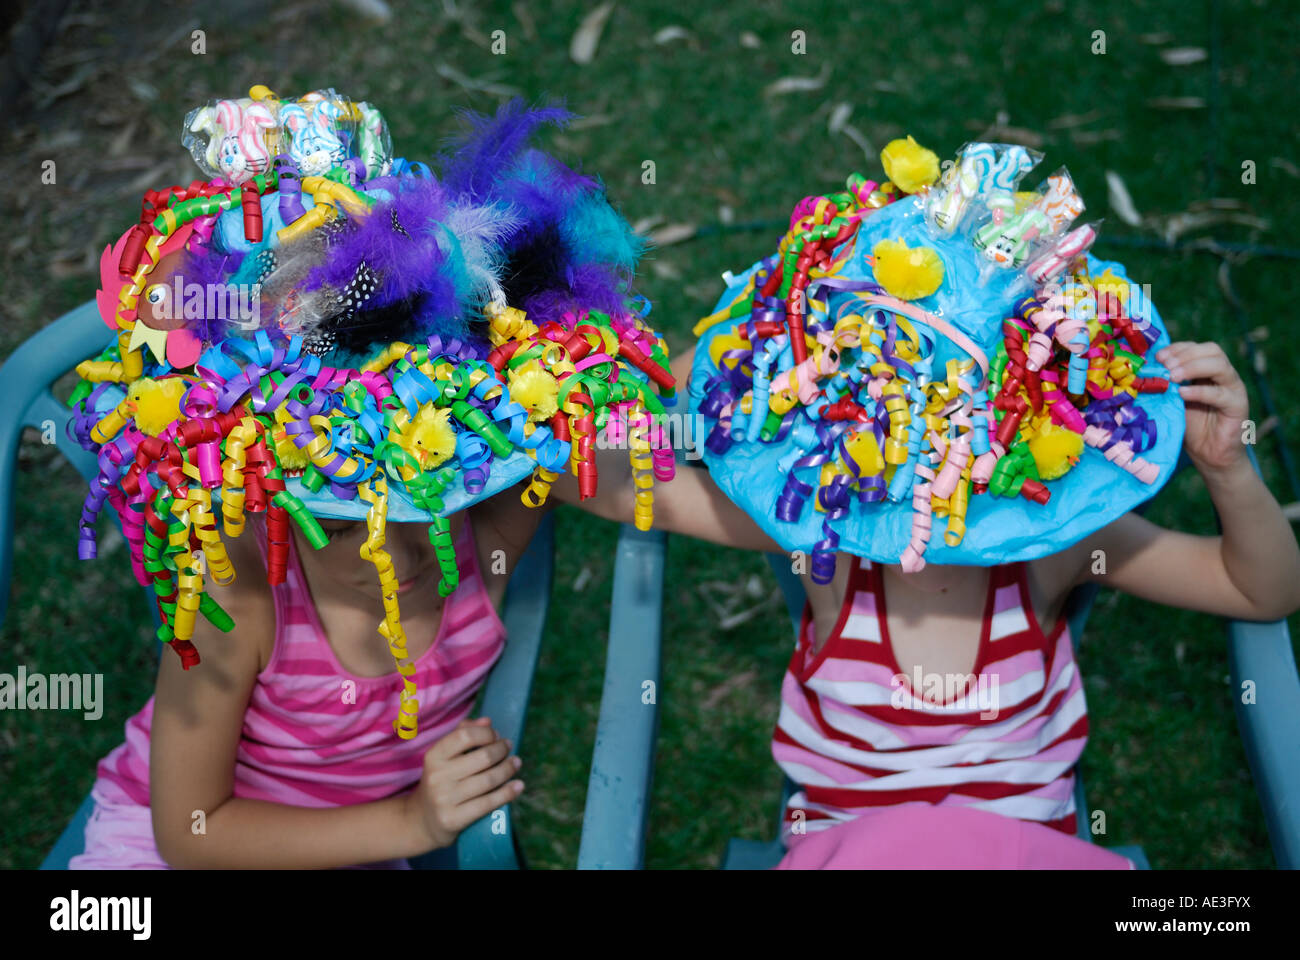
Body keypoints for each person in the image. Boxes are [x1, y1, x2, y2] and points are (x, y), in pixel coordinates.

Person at [580, 138, 1300, 869]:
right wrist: (715, 387)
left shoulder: (1056, 550)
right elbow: (615, 478)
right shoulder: (824, 539)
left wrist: (1229, 469)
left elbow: (1261, 589)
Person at [65, 89, 673, 869]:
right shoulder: (240, 603)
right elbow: (190, 833)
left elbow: (600, 421)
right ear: (264, 507)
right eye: (348, 524)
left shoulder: (485, 543)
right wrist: (412, 826)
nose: (405, 554)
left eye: (432, 496)